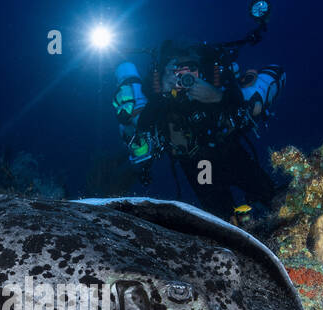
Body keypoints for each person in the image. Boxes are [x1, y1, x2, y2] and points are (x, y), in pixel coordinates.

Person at [111, 40, 286, 220]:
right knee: (223, 219)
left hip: (230, 152)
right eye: (178, 72)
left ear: (201, 69)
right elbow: (144, 127)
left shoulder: (215, 84)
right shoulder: (160, 98)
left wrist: (217, 96)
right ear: (166, 72)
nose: (185, 79)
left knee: (272, 198)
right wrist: (163, 93)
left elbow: (242, 105)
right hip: (199, 165)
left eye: (191, 69)